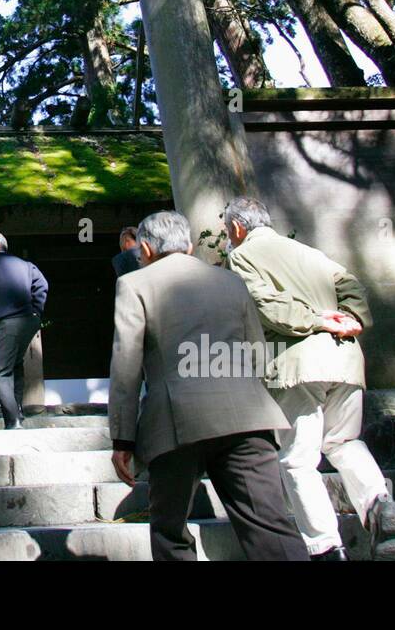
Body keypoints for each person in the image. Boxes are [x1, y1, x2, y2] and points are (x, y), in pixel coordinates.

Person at [109, 210, 309, 562]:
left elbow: (126, 364)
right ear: (188, 246)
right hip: (247, 417)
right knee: (270, 527)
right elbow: (258, 355)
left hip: (175, 422)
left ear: (145, 249)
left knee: (170, 532)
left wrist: (122, 438)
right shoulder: (231, 281)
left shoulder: (135, 284)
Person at [222, 196, 395, 561]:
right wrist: (353, 318)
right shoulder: (309, 252)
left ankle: (325, 546)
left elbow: (263, 304)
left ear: (238, 228)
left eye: (229, 230)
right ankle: (377, 502)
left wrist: (316, 320)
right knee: (343, 441)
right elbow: (351, 284)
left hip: (297, 366)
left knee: (297, 459)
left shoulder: (242, 255)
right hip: (345, 359)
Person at [0, 231, 48, 429]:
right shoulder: (25, 265)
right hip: (27, 321)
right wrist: (36, 312)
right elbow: (42, 284)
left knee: (0, 371)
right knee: (16, 366)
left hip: (6, 322)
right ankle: (19, 412)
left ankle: (13, 420)